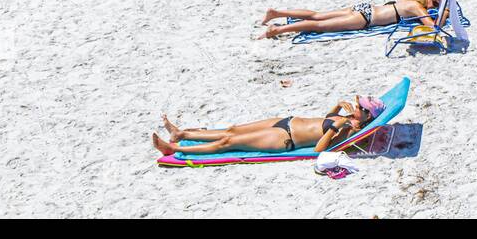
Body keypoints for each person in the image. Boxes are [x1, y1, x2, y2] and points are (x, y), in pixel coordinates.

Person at [151, 95, 378, 157]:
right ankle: (181, 133)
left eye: (361, 107)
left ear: (366, 116)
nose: (356, 105)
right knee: (232, 129)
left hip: (285, 139)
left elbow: (320, 148)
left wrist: (334, 128)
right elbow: (324, 120)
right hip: (285, 122)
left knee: (228, 142)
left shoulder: (350, 128)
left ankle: (176, 149)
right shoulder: (345, 118)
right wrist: (337, 107)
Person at [260, 0, 447, 39]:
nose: (433, 8)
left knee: (317, 15)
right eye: (435, 4)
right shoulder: (417, 7)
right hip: (366, 18)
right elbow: (433, 27)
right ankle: (277, 30)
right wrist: (444, 13)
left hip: (363, 8)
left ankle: (276, 12)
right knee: (318, 27)